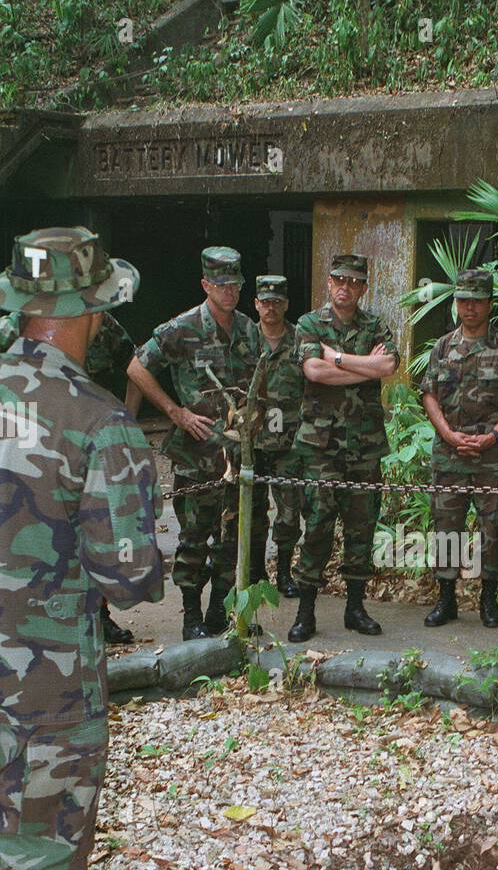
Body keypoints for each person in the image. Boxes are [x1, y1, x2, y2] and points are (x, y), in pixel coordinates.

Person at [0, 226, 163, 870]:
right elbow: (131, 578)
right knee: (35, 841)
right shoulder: (97, 421)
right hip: (46, 686)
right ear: (81, 312)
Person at [126, 247, 264, 640]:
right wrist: (175, 412)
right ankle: (191, 618)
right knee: (193, 540)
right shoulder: (182, 328)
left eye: (235, 284)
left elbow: (260, 378)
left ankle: (220, 612)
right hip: (197, 457)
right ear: (206, 284)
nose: (229, 292)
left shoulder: (248, 329)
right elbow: (136, 367)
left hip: (237, 456)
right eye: (221, 285)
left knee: (232, 539)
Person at [0, 309, 139, 646]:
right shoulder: (13, 328)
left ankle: (97, 615)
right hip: (30, 435)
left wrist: (126, 419)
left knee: (89, 529)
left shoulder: (104, 325)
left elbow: (136, 365)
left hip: (85, 440)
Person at [288, 253, 399, 642]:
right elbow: (312, 371)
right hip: (320, 447)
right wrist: (360, 366)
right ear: (329, 281)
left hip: (365, 447)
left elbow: (386, 368)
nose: (345, 287)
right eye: (339, 279)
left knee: (361, 529)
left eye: (354, 282)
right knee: (317, 526)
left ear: (364, 287)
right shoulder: (308, 323)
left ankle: (355, 608)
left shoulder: (376, 325)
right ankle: (305, 612)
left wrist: (336, 357)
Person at [421, 269, 498, 628]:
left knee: (493, 527)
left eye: (476, 301)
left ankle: (489, 599)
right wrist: (448, 435)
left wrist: (494, 435)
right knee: (447, 526)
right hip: (450, 454)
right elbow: (429, 394)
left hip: (493, 454)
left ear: (490, 304)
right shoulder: (443, 346)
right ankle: (446, 599)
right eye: (463, 300)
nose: (469, 307)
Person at [252, 274, 300, 597]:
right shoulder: (242, 338)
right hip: (252, 444)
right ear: (256, 304)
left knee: (289, 515)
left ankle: (284, 572)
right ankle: (256, 574)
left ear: (286, 305)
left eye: (277, 303)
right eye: (265, 302)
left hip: (288, 443)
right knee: (253, 514)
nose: (271, 308)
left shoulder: (301, 340)